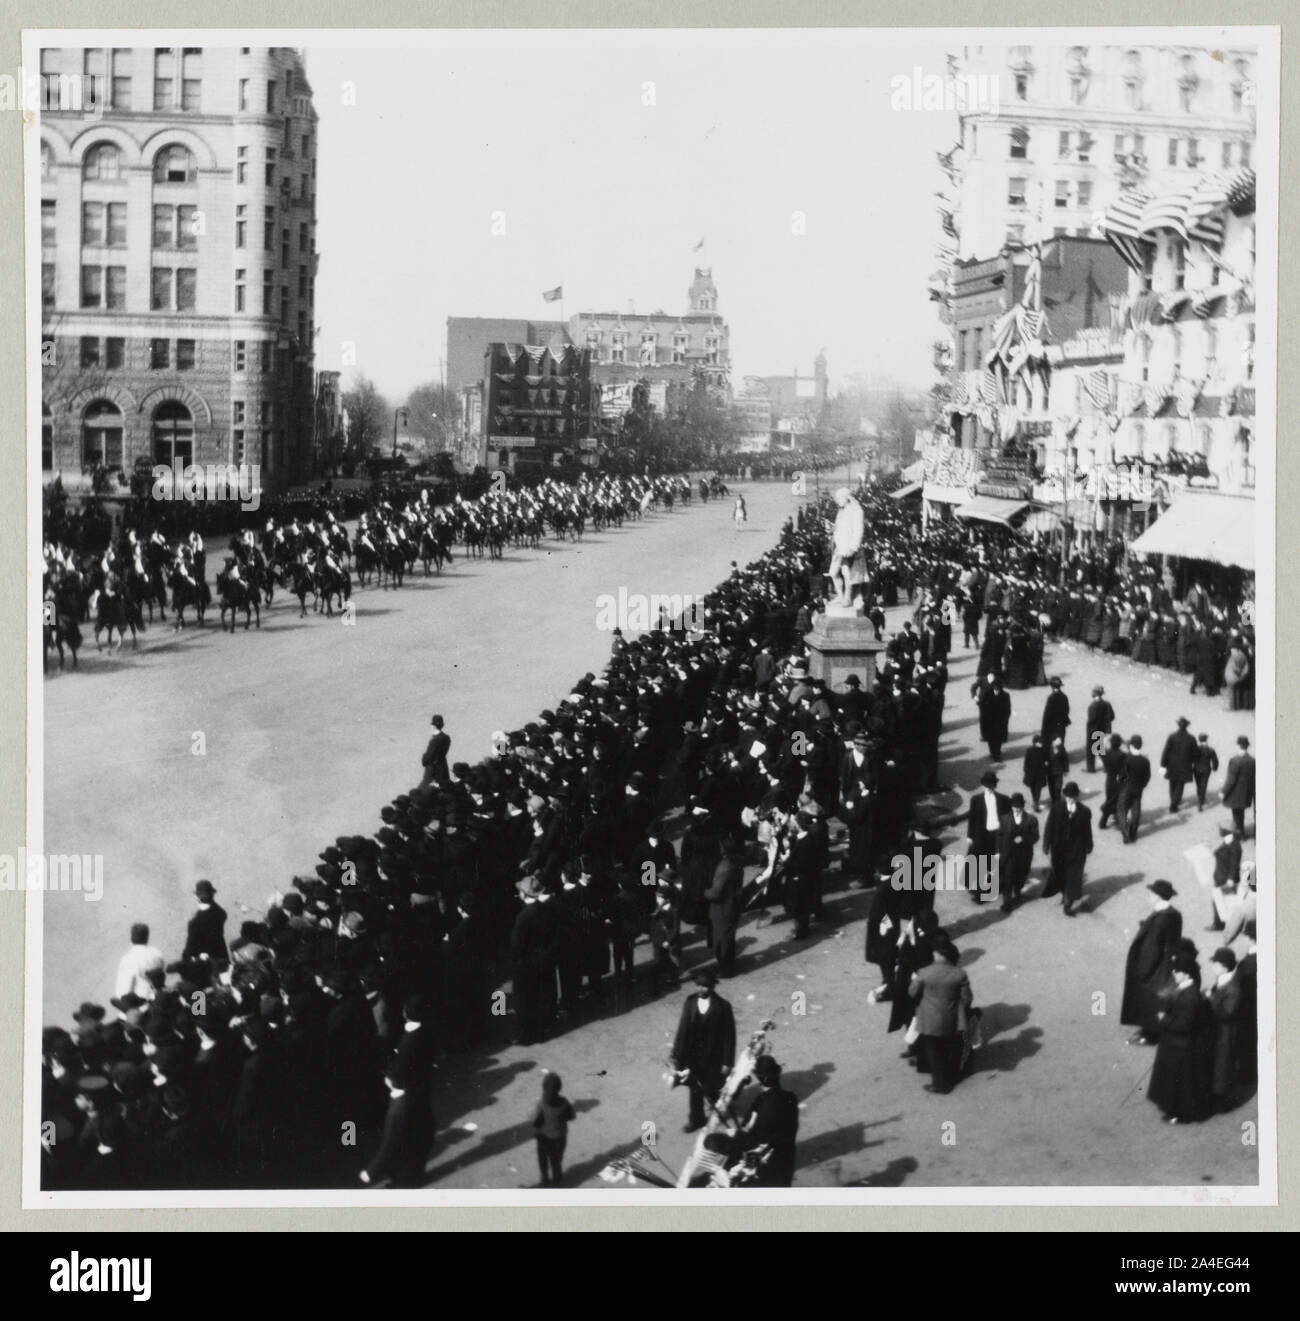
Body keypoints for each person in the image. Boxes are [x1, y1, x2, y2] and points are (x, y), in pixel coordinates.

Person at [360, 992, 437, 1188]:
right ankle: (414, 1174)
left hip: (406, 1096)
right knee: (419, 1134)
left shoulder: (409, 1041)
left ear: (405, 1013)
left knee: (398, 1136)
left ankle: (399, 1178)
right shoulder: (425, 1032)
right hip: (421, 1091)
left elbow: (398, 1076)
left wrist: (369, 1173)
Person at [1147, 953, 1211, 1124]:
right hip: (1176, 1043)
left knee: (1179, 1082)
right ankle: (1174, 1109)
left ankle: (1180, 1113)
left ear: (1187, 973)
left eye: (1178, 971)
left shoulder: (1189, 996)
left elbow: (1183, 1024)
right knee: (1176, 1080)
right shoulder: (1186, 989)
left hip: (1180, 1045)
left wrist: (1164, 1019)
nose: (1174, 973)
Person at [670, 970, 736, 1133]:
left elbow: (729, 1036)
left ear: (713, 986)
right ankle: (696, 1120)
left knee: (712, 1088)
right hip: (693, 1057)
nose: (701, 989)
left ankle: (717, 1112)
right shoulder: (690, 1002)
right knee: (695, 1089)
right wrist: (676, 1055)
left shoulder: (723, 1006)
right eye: (698, 985)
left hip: (713, 1057)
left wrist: (727, 1062)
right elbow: (682, 1029)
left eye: (705, 986)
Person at [1120, 880, 1182, 1045]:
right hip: (1167, 963)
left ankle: (1148, 1035)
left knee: (1148, 1000)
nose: (1149, 896)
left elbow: (1153, 947)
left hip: (1154, 966)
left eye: (1151, 894)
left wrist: (1143, 970)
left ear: (1157, 896)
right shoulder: (1174, 914)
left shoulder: (1160, 919)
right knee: (1156, 1000)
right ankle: (1148, 1031)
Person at [909, 937, 973, 1095]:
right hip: (950, 1020)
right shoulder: (960, 974)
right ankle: (949, 1075)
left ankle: (940, 1085)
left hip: (929, 1020)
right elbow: (967, 999)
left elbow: (912, 993)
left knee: (933, 1051)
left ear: (936, 954)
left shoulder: (923, 973)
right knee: (946, 1049)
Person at [731, 1055, 798, 1186]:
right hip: (787, 1156)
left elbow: (753, 1138)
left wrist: (735, 1134)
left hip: (767, 1163)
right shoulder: (791, 1097)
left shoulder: (762, 1104)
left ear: (761, 1079)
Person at [1042, 781, 1093, 916]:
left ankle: (1068, 903)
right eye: (1068, 796)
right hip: (1059, 849)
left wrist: (1089, 845)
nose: (1070, 799)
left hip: (1077, 849)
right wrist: (1046, 845)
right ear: (1065, 796)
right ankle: (1064, 892)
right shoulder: (1057, 808)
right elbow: (1049, 827)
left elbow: (1087, 830)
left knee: (1074, 876)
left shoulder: (1084, 811)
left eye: (1073, 796)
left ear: (1077, 797)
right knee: (1061, 874)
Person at [1205, 949, 1242, 1114]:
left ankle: (1223, 1100)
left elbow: (1228, 1012)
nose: (1213, 966)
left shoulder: (1233, 987)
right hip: (1218, 1030)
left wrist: (1210, 999)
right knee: (1218, 1063)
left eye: (1216, 964)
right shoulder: (1222, 979)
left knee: (1223, 1064)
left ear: (1225, 967)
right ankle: (1217, 1095)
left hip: (1225, 1032)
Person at [966, 771, 1009, 906]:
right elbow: (972, 819)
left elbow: (1007, 819)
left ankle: (991, 887)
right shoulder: (976, 799)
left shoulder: (1003, 799)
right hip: (981, 835)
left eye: (992, 785)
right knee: (979, 863)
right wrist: (969, 836)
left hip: (996, 835)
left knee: (994, 863)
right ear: (984, 785)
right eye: (987, 785)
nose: (990, 788)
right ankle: (978, 893)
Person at [706, 836, 745, 978]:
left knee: (722, 940)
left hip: (722, 909)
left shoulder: (724, 867)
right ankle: (727, 966)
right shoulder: (737, 863)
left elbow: (715, 894)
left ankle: (725, 969)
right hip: (733, 905)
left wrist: (704, 892)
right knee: (729, 937)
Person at [531, 1071, 576, 1187]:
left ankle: (544, 1177)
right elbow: (571, 1116)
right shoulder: (565, 1103)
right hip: (560, 1137)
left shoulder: (541, 1103)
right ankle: (557, 1177)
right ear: (559, 1088)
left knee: (543, 1159)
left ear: (543, 1087)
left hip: (544, 1138)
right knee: (556, 1160)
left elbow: (535, 1121)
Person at [996, 792, 1039, 911]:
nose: (1017, 809)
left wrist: (1024, 839)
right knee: (1007, 878)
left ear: (1023, 806)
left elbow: (1035, 836)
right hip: (1008, 854)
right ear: (1011, 806)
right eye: (1015, 807)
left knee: (1021, 876)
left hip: (1023, 855)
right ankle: (1007, 903)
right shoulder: (1004, 819)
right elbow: (999, 835)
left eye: (1019, 807)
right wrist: (998, 851)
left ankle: (1018, 890)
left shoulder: (1031, 820)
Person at [114, 924, 165, 1003]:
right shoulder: (157, 954)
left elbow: (124, 990)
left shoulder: (127, 959)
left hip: (139, 1003)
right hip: (158, 999)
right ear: (147, 937)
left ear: (131, 938)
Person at [182, 881, 228, 964]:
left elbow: (190, 944)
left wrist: (186, 958)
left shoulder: (195, 921)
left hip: (203, 961)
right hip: (220, 956)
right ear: (212, 895)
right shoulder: (220, 913)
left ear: (197, 896)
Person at [1208, 825, 1243, 932]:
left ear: (1226, 831)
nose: (1220, 831)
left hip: (1226, 878)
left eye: (1221, 829)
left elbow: (1234, 863)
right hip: (1221, 876)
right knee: (1220, 900)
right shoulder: (1228, 841)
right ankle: (1221, 923)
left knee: (1222, 901)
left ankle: (1219, 924)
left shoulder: (1234, 846)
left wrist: (1231, 878)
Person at [1118, 735, 1152, 844]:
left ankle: (1125, 834)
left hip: (1127, 788)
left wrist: (1120, 781)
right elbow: (1147, 777)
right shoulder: (1145, 761)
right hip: (1138, 789)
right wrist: (1142, 785)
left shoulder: (1127, 759)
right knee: (1136, 812)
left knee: (1122, 811)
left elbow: (1122, 774)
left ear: (1132, 746)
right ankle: (1133, 834)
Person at [1160, 717, 1197, 812]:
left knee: (1172, 783)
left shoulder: (1172, 736)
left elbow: (1166, 751)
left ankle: (1174, 800)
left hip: (1172, 765)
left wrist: (1163, 764)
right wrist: (1192, 761)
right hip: (1185, 765)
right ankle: (1174, 804)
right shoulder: (1191, 738)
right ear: (1186, 726)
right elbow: (1195, 753)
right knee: (1180, 785)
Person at [1221, 736, 1255, 836]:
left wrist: (1223, 791)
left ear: (1238, 746)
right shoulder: (1252, 760)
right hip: (1246, 792)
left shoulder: (1235, 760)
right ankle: (1240, 830)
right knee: (1241, 812)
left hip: (1236, 792)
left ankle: (1240, 832)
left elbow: (1231, 779)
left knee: (1236, 812)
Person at [976, 673, 1012, 762]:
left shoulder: (1005, 696)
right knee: (991, 739)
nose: (996, 691)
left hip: (1000, 722)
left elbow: (1008, 709)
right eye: (995, 689)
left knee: (998, 740)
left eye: (998, 689)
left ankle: (997, 754)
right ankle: (992, 752)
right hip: (990, 722)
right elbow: (983, 707)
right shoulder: (988, 694)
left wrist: (1005, 719)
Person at [1084, 685, 1115, 773]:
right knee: (1100, 749)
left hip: (1093, 731)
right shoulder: (1107, 704)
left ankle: (1091, 768)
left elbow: (1091, 720)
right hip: (1103, 730)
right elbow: (1112, 716)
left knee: (1090, 750)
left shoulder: (1092, 706)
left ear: (1095, 693)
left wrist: (1091, 728)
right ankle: (1106, 766)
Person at [420, 714, 451, 788]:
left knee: (424, 789)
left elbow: (427, 758)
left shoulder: (434, 740)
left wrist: (424, 757)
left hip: (433, 770)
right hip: (443, 766)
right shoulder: (447, 738)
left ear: (433, 726)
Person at [1040, 676, 1071, 748]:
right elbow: (1067, 710)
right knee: (1060, 740)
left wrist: (1044, 725)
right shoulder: (1064, 696)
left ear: (1052, 686)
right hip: (1061, 723)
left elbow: (1047, 713)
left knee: (1050, 741)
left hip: (1052, 724)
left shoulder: (1051, 697)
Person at [1192, 733, 1220, 811]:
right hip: (1206, 769)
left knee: (1198, 785)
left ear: (1199, 740)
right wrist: (1215, 768)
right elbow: (1215, 760)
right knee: (1204, 785)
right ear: (1206, 739)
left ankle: (1200, 799)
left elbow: (1192, 758)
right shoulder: (1210, 749)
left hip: (1196, 769)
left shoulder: (1196, 749)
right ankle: (1201, 801)